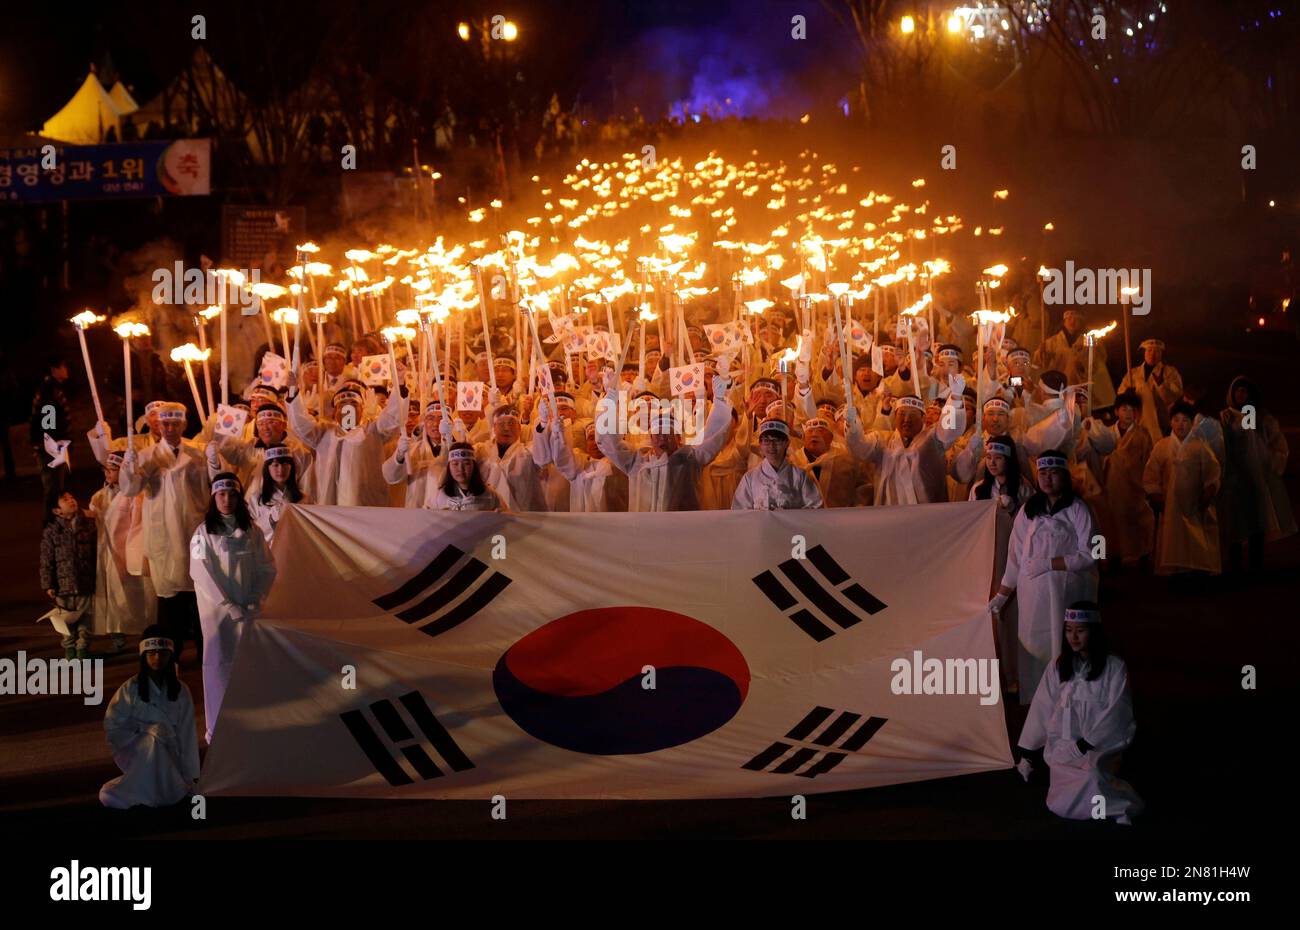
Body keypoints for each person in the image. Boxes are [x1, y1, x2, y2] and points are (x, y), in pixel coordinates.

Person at [1016, 603, 1143, 825]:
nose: (1073, 637)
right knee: (1062, 796)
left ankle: (1113, 807)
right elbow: (1042, 706)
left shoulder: (1113, 666)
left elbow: (1118, 712)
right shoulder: (1059, 665)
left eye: (1080, 630)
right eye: (1068, 630)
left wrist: (1086, 744)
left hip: (1099, 745)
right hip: (1063, 747)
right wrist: (1028, 751)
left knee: (1092, 776)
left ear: (1093, 632)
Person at [989, 451, 1099, 700]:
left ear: (1065, 476)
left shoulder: (1080, 509)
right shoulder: (1028, 511)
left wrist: (1051, 564)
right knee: (1034, 644)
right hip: (1033, 597)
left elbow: (1094, 551)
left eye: (1053, 473)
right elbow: (1015, 556)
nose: (1047, 479)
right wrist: (1002, 595)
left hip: (1067, 595)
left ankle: (1069, 698)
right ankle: (1036, 698)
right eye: (1042, 473)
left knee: (1063, 643)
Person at [189, 473, 276, 744]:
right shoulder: (202, 532)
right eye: (221, 495)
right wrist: (226, 604)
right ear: (214, 498)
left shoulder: (252, 531)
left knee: (249, 667)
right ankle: (219, 730)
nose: (226, 500)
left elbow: (266, 567)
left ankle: (253, 725)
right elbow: (199, 571)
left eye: (232, 495)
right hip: (218, 615)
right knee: (219, 666)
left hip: (248, 611)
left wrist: (255, 597)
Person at [118, 402, 210, 662]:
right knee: (169, 602)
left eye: (174, 424)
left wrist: (215, 461)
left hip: (194, 534)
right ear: (158, 426)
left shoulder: (199, 452)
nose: (169, 429)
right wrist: (129, 467)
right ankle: (170, 658)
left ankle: (208, 658)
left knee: (199, 598)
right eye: (164, 424)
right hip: (164, 539)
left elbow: (214, 484)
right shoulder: (147, 456)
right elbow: (130, 488)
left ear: (184, 424)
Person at [596, 373, 734, 511]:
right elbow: (609, 443)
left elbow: (713, 436)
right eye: (657, 433)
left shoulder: (691, 460)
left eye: (668, 433)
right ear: (651, 437)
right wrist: (608, 405)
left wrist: (720, 401)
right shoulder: (637, 463)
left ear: (679, 438)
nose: (662, 437)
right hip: (644, 531)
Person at [99, 628, 201, 810]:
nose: (157, 658)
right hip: (138, 746)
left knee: (161, 749)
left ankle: (172, 784)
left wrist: (190, 773)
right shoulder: (131, 687)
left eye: (162, 653)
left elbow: (187, 731)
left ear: (170, 656)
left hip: (172, 749)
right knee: (152, 743)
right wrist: (145, 730)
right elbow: (113, 722)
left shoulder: (181, 690)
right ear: (143, 656)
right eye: (151, 653)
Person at [969, 436, 1036, 694]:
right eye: (989, 458)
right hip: (988, 557)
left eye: (998, 458)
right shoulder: (979, 490)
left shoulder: (1023, 488)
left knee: (1013, 616)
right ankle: (991, 675)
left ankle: (1014, 675)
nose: (993, 463)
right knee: (989, 615)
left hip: (1014, 557)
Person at [842, 384, 967, 505]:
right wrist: (853, 425)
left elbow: (948, 430)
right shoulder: (882, 440)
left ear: (923, 418)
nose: (906, 420)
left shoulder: (932, 439)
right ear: (895, 416)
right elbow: (860, 447)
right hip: (890, 517)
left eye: (912, 415)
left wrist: (955, 399)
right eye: (902, 414)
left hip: (928, 517)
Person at [288, 377, 404, 506]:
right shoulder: (323, 433)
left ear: (362, 409)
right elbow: (301, 424)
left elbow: (392, 418)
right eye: (342, 404)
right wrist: (293, 392)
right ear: (335, 411)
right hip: (330, 507)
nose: (348, 408)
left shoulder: (373, 430)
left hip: (366, 507)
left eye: (353, 404)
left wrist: (399, 385)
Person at [1219, 375, 1295, 570]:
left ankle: (1256, 564)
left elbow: (1271, 444)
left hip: (1256, 478)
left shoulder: (1260, 417)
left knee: (1257, 520)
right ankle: (1235, 564)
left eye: (1244, 391)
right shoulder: (1225, 416)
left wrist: (1269, 462)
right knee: (1235, 521)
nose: (1240, 394)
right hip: (1235, 478)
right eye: (1237, 390)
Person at [1143, 401, 1222, 576]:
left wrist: (1208, 493)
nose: (1180, 424)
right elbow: (1151, 474)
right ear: (1171, 422)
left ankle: (1195, 570)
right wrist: (1155, 495)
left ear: (1192, 423)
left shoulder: (1200, 446)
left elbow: (1213, 473)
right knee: (1172, 540)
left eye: (1185, 420)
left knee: (1195, 539)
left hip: (1194, 504)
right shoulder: (1161, 446)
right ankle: (1175, 570)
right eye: (1176, 420)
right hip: (1169, 504)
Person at [90, 448, 154, 653]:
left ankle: (146, 631)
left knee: (139, 594)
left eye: (112, 469)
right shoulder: (100, 496)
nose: (107, 474)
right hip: (108, 552)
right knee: (114, 594)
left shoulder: (138, 496)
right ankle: (117, 632)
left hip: (130, 552)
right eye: (105, 470)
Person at [1091, 391, 1155, 568]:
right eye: (1124, 409)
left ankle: (1139, 555)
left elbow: (1149, 463)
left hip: (1133, 488)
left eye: (1133, 410)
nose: (1128, 413)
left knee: (1135, 523)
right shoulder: (1106, 433)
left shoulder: (1143, 435)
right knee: (1110, 523)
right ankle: (1112, 556)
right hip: (1110, 485)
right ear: (1117, 411)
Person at [39, 491, 97, 659]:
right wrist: (48, 584)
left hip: (85, 582)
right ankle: (70, 648)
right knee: (66, 620)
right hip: (62, 586)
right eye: (65, 500)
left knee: (86, 618)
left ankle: (82, 649)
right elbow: (46, 560)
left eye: (72, 497)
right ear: (57, 511)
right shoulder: (51, 532)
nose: (71, 500)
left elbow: (96, 552)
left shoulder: (88, 525)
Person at [732, 418, 823, 509]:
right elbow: (740, 510)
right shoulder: (750, 478)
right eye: (766, 440)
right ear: (760, 443)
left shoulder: (800, 476)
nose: (771, 446)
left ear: (787, 443)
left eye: (777, 440)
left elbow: (815, 506)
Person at [29, 354, 71, 522]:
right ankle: (51, 527)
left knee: (57, 487)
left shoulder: (53, 388)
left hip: (53, 446)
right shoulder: (48, 390)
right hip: (51, 448)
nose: (66, 370)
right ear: (55, 370)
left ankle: (57, 523)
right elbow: (48, 421)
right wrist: (55, 446)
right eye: (63, 367)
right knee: (53, 489)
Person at [1118, 338, 1183, 443]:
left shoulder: (1170, 372)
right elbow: (1120, 395)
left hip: (1160, 423)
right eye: (1149, 350)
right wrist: (1127, 396)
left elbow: (1176, 394)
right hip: (1136, 421)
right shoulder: (1133, 374)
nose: (1152, 354)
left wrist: (1162, 385)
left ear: (1161, 354)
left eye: (1156, 351)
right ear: (1144, 353)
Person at [247, 445, 310, 546]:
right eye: (275, 465)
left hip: (298, 550)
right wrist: (270, 518)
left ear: (291, 468)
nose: (280, 470)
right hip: (268, 553)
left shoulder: (304, 498)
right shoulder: (256, 499)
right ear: (268, 468)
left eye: (285, 464)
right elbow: (250, 532)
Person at [430, 443, 506, 511]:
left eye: (466, 463)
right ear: (449, 467)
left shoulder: (490, 495)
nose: (460, 469)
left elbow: (505, 518)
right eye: (455, 464)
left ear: (474, 466)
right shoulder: (439, 496)